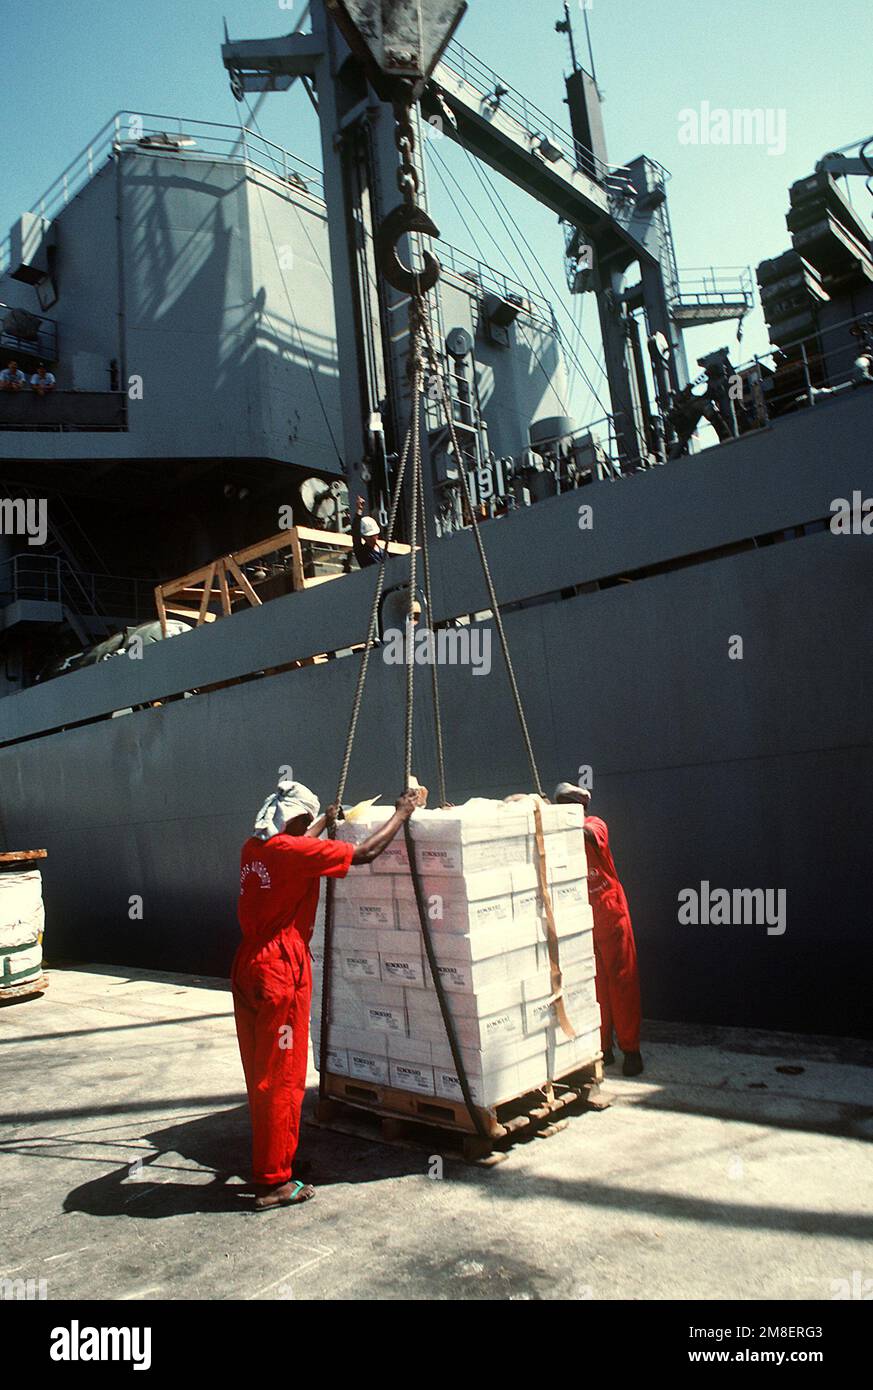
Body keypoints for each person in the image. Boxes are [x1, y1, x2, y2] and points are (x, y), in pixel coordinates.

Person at [231, 776, 423, 1211]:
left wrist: (323, 822)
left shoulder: (254, 848)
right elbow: (365, 852)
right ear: (295, 820)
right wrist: (403, 811)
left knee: (262, 1073)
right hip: (281, 968)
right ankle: (273, 1182)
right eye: (305, 823)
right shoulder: (292, 852)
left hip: (249, 964)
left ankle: (277, 1159)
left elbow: (294, 848)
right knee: (283, 1075)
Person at [554, 782, 643, 1076]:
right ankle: (603, 1048)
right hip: (586, 919)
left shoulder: (594, 825)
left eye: (566, 805)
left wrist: (558, 821)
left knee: (622, 983)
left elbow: (589, 835)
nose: (561, 810)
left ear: (580, 807)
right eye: (558, 805)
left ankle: (631, 1049)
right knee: (596, 988)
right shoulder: (558, 835)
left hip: (611, 914)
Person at [351, 494, 386, 568]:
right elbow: (355, 534)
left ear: (377, 535)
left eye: (372, 536)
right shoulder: (362, 552)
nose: (370, 538)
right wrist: (359, 510)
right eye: (368, 537)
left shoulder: (383, 551)